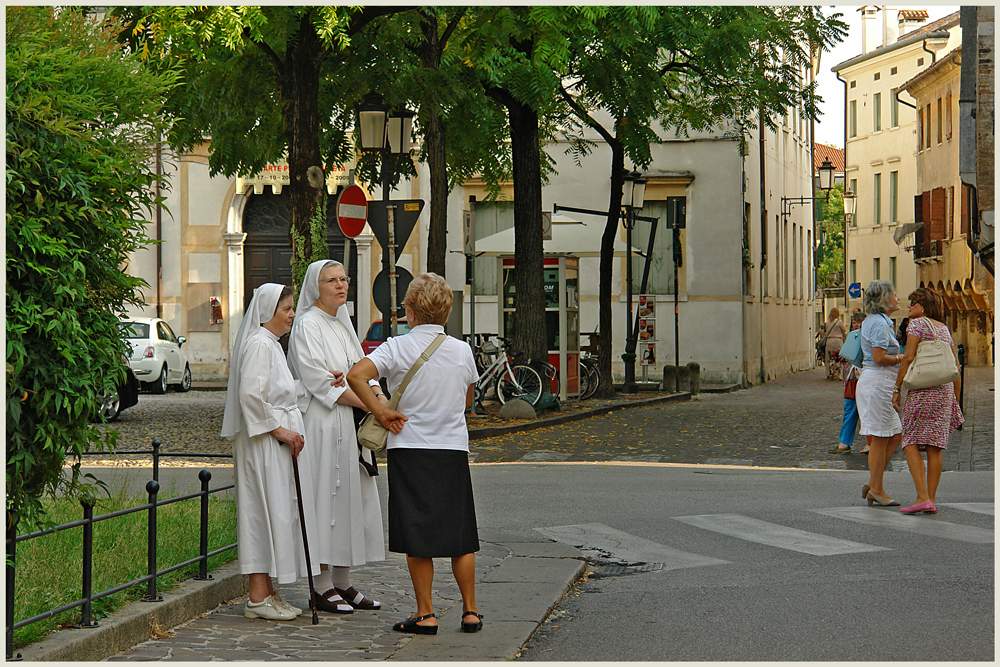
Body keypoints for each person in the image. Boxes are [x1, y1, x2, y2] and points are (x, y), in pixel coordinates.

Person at [347, 272, 483, 635]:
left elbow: (356, 375)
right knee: (461, 535)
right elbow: (467, 399)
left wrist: (381, 412)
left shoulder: (397, 347)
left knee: (417, 536)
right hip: (452, 448)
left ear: (410, 310)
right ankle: (470, 611)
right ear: (446, 310)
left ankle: (426, 613)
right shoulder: (462, 350)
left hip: (410, 447)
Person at [288, 260, 386, 614]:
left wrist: (372, 390)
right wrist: (373, 404)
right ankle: (321, 584)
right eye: (332, 280)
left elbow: (363, 370)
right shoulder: (307, 325)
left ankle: (343, 581)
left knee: (349, 500)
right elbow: (320, 383)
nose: (341, 285)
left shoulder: (342, 324)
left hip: (351, 425)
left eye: (344, 278)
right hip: (324, 424)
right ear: (317, 286)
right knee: (325, 499)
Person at [221, 283, 317, 621]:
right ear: (267, 313)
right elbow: (251, 396)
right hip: (264, 444)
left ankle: (267, 589)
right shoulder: (260, 345)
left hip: (274, 443)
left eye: (291, 308)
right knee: (262, 511)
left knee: (275, 511)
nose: (292, 314)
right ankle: (257, 596)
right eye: (286, 309)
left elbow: (280, 393)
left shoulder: (271, 345)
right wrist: (280, 431)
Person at [893, 288, 964, 514]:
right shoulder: (944, 329)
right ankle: (930, 499)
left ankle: (922, 496)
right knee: (935, 447)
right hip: (944, 391)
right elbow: (955, 367)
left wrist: (897, 387)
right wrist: (956, 398)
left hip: (923, 390)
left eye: (912, 304)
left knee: (910, 441)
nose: (909, 308)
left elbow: (909, 357)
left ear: (922, 307)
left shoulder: (917, 325)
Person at [855, 280, 905, 506]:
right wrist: (900, 358)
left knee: (894, 434)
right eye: (893, 294)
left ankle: (874, 482)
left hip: (879, 383)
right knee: (880, 437)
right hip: (877, 383)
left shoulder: (879, 321)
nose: (897, 297)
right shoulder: (879, 324)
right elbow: (878, 357)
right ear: (884, 299)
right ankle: (877, 488)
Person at [830, 311, 866, 454]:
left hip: (862, 377)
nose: (856, 325)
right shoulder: (853, 336)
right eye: (854, 322)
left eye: (859, 322)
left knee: (866, 412)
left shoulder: (864, 337)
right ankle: (844, 443)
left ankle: (872, 443)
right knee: (851, 409)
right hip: (852, 379)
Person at [822, 308, 846, 380]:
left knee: (829, 358)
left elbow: (825, 332)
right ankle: (839, 374)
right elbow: (844, 331)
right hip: (838, 341)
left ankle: (829, 373)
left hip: (829, 341)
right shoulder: (839, 322)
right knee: (839, 358)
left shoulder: (827, 322)